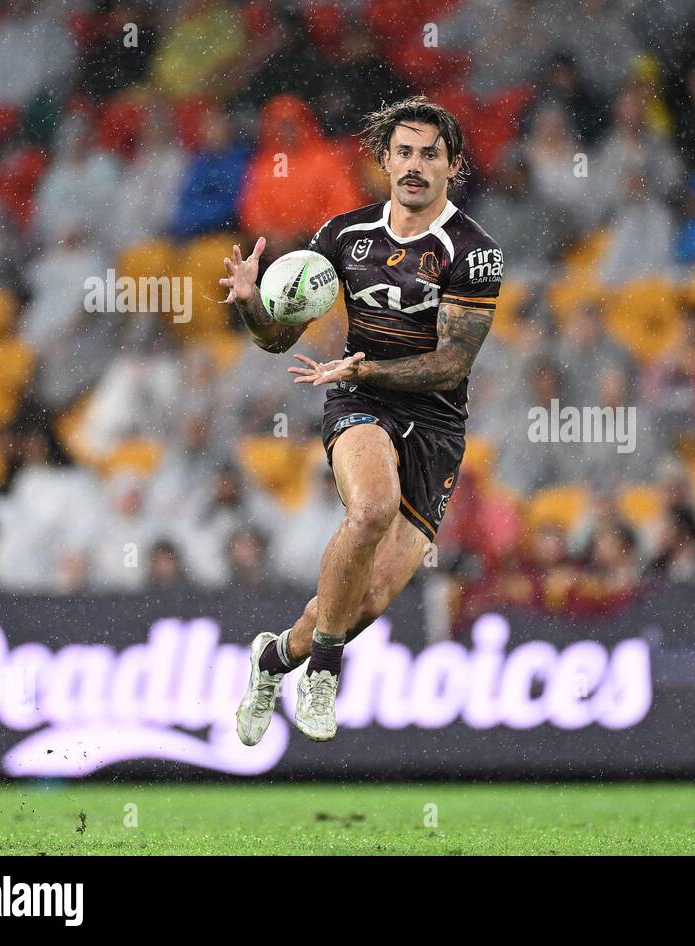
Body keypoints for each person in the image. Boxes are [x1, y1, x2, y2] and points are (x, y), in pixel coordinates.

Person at [222, 97, 502, 744]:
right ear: (382, 159)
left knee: (367, 601)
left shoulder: (475, 251)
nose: (414, 165)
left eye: (429, 153)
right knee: (371, 508)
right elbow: (275, 339)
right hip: (361, 405)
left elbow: (450, 364)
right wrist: (251, 306)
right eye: (403, 151)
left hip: (433, 423)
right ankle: (324, 673)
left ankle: (271, 661)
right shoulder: (345, 237)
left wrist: (364, 369)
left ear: (452, 165)